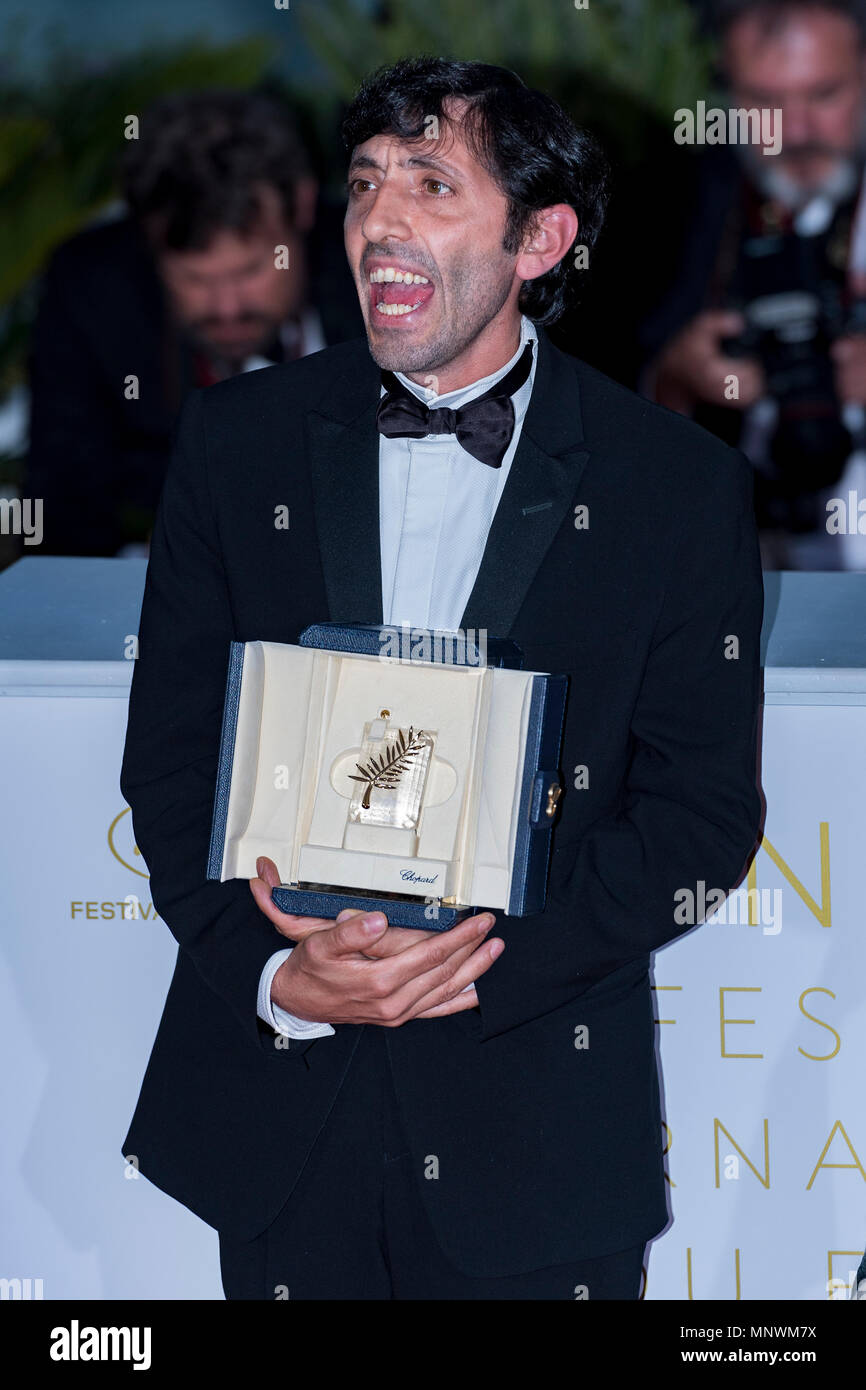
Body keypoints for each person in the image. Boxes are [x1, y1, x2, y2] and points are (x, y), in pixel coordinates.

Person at [119, 57, 764, 1301]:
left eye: (430, 183)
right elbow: (170, 760)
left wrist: (465, 968)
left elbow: (699, 819)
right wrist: (276, 971)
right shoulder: (233, 440)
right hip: (278, 1115)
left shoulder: (672, 490)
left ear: (539, 239)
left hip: (533, 1132)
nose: (378, 222)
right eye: (364, 183)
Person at [25, 88, 362, 558]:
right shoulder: (90, 288)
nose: (226, 308)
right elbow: (60, 496)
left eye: (250, 271)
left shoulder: (377, 267)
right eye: (194, 279)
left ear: (303, 205)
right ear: (147, 238)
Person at [643, 0, 866, 570]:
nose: (795, 131)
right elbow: (604, 405)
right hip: (744, 559)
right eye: (764, 102)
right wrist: (678, 377)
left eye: (823, 94)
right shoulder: (682, 197)